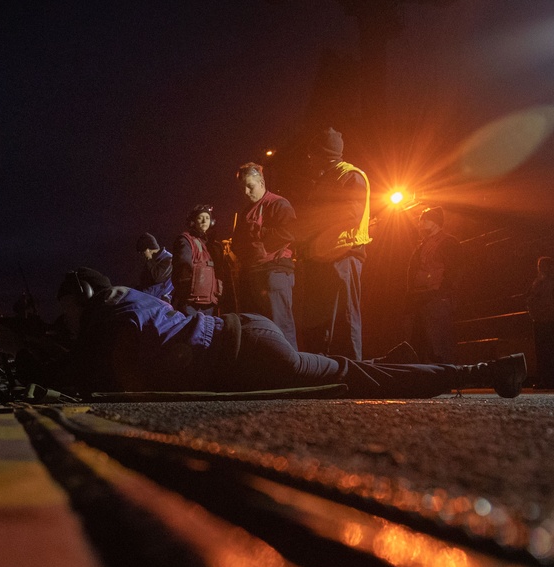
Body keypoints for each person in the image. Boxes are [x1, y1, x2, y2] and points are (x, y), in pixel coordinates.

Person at [53, 267, 527, 399]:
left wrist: (26, 352)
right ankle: (435, 364)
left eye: (69, 310)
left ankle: (483, 371)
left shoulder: (114, 318)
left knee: (355, 380)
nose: (68, 320)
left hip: (249, 357)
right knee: (353, 371)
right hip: (248, 333)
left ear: (85, 297)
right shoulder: (129, 301)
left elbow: (88, 377)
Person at [296, 127, 372, 360]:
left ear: (323, 154)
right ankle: (326, 369)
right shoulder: (328, 178)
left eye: (312, 156)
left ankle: (352, 370)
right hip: (324, 257)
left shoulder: (350, 176)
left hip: (343, 256)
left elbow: (347, 214)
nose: (309, 161)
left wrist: (309, 223)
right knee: (323, 318)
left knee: (345, 317)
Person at [231, 162, 298, 349]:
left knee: (280, 326)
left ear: (261, 182)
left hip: (274, 273)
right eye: (242, 187)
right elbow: (237, 244)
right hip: (252, 276)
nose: (245, 191)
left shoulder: (278, 203)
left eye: (250, 186)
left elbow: (290, 232)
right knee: (256, 329)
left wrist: (260, 239)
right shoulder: (245, 212)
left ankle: (290, 371)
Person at [405, 207, 461, 363]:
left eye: (425, 219)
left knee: (440, 343)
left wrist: (444, 292)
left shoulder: (448, 242)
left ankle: (446, 378)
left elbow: (454, 270)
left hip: (437, 298)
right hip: (422, 299)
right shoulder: (423, 245)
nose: (420, 223)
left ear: (435, 221)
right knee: (423, 343)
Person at [172, 204, 223, 316]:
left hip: (211, 303)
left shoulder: (213, 246)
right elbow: (182, 267)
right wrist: (186, 293)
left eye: (207, 218)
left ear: (212, 222)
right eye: (200, 217)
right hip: (191, 304)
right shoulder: (186, 240)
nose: (204, 220)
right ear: (193, 222)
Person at [527, 256, 554, 388]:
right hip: (539, 319)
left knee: (549, 349)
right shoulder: (538, 282)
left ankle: (549, 378)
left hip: (550, 319)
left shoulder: (550, 282)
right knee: (541, 351)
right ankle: (544, 378)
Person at [134, 233, 174, 303]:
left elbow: (157, 277)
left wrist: (149, 259)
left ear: (147, 250)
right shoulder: (154, 261)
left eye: (141, 252)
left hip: (158, 303)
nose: (141, 256)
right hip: (147, 300)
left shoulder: (169, 259)